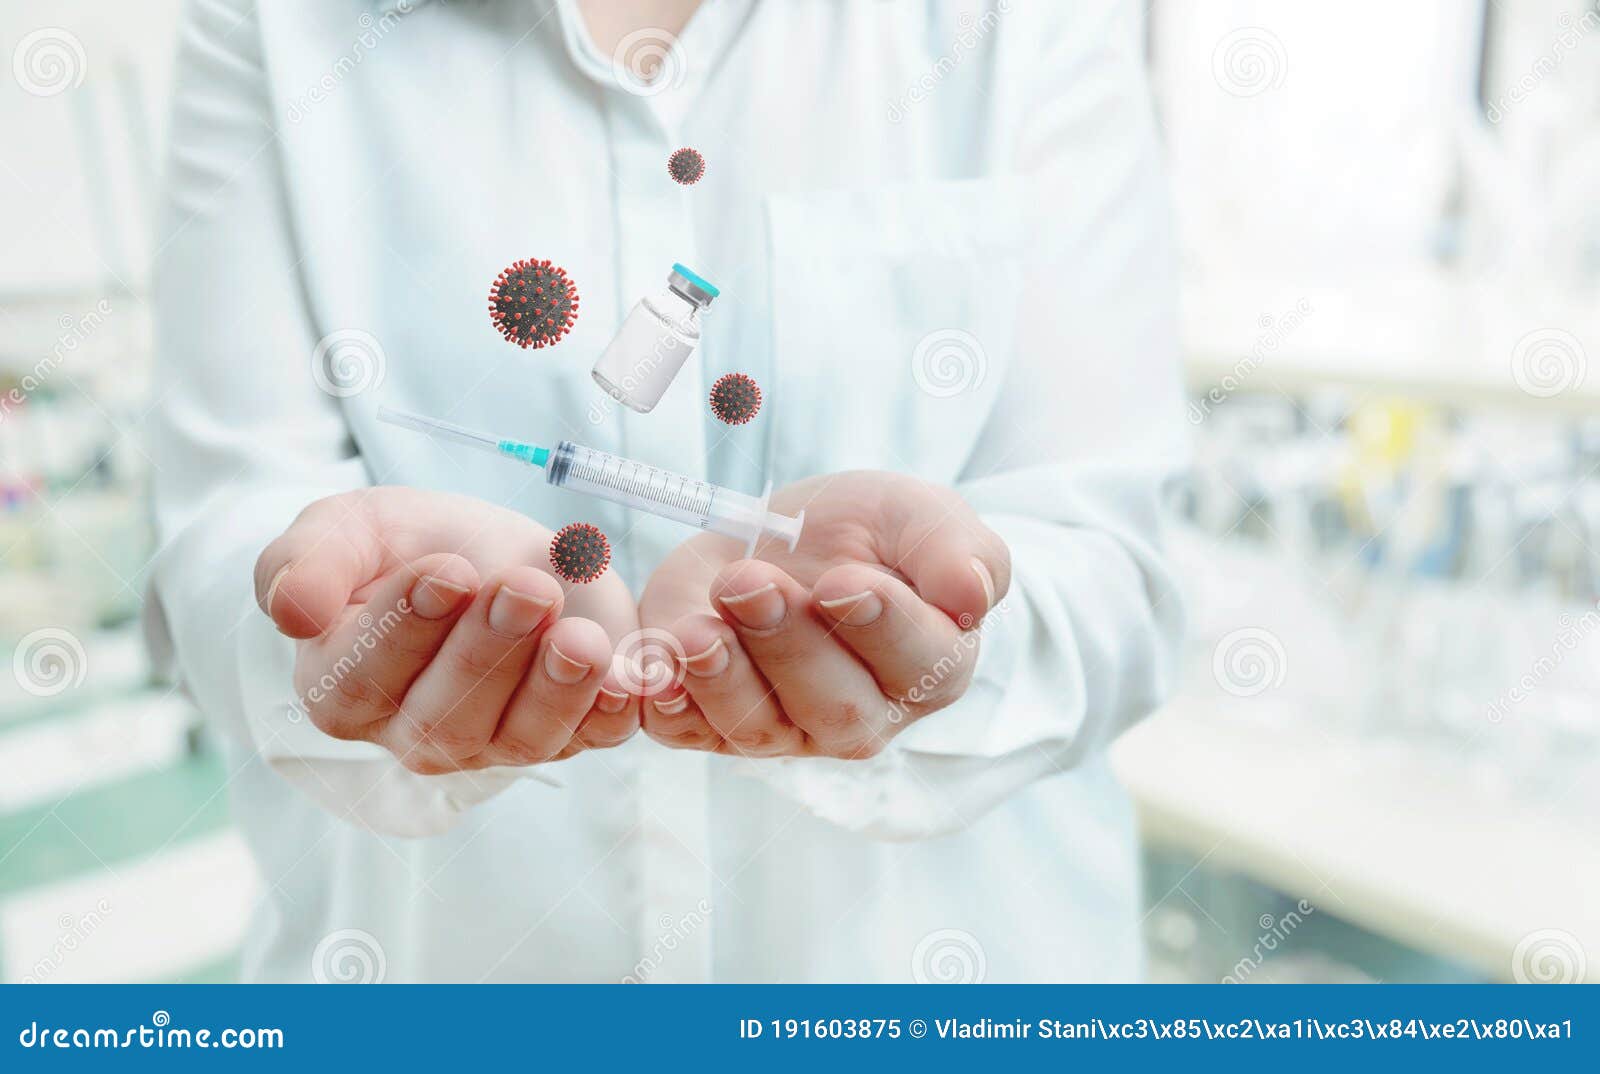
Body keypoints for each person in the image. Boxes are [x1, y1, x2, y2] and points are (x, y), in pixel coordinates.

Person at [148, 0, 1186, 983]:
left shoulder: (1019, 22)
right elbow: (209, 559)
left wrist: (942, 635)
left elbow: (1115, 578)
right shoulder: (282, 25)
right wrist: (338, 637)